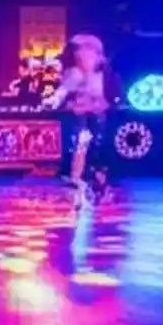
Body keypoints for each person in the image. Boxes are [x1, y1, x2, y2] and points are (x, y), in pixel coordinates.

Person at [45, 34, 111, 207]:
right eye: (80, 53)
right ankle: (76, 176)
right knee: (81, 143)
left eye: (88, 53)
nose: (84, 56)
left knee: (97, 145)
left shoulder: (102, 74)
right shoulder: (74, 74)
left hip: (97, 114)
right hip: (79, 114)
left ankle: (95, 175)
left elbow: (109, 93)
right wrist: (54, 101)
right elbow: (63, 90)